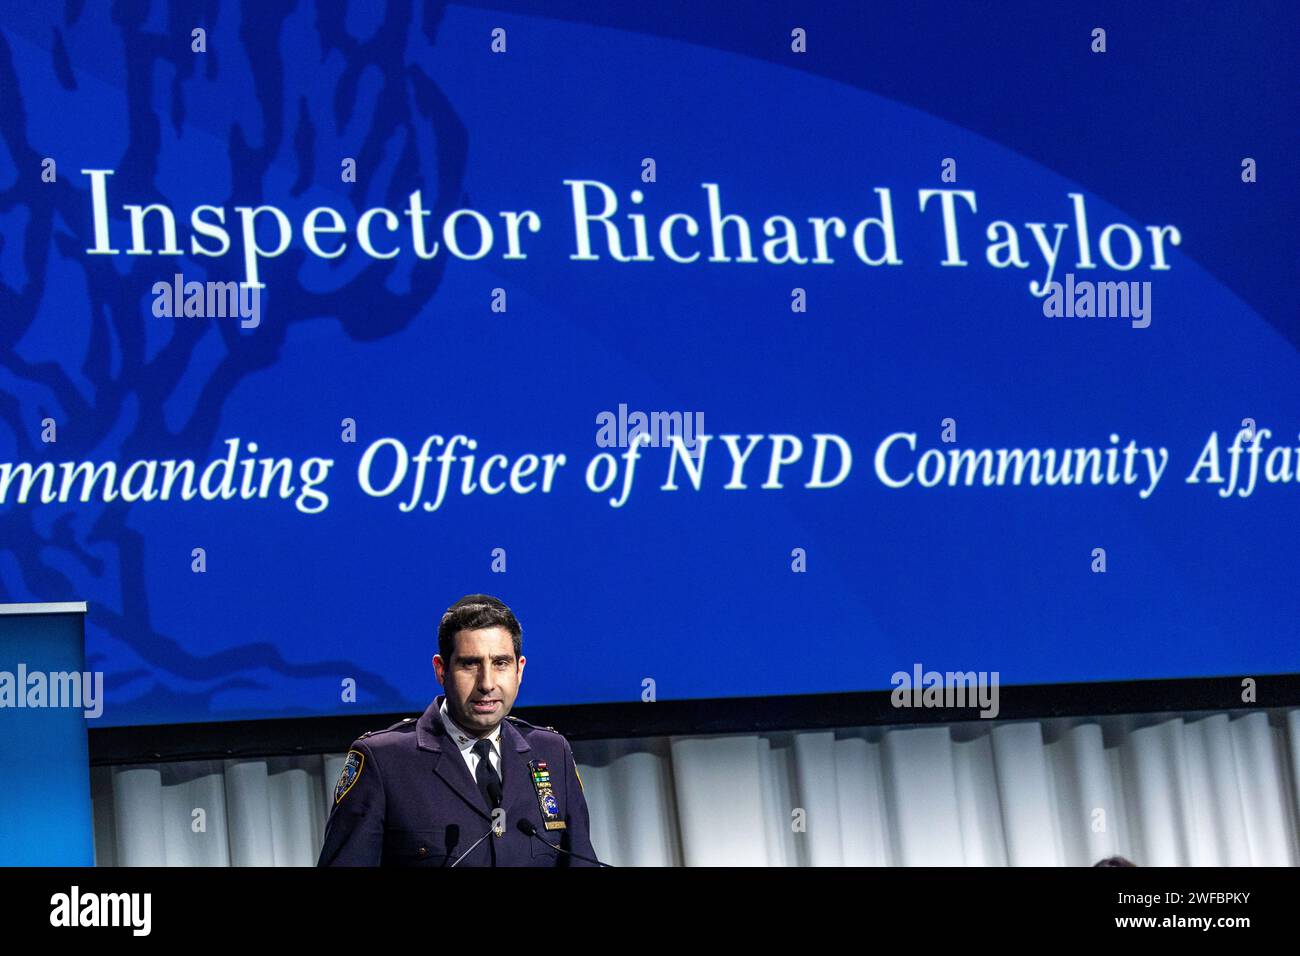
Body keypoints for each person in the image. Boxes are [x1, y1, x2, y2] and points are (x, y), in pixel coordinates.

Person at [318, 594, 601, 866]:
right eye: (470, 664)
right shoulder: (384, 762)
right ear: (441, 670)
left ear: (520, 670)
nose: (487, 683)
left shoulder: (552, 752)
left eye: (500, 663)